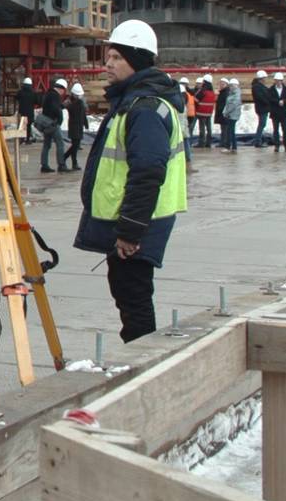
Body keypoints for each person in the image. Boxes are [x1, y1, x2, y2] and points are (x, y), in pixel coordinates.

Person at [74, 19, 187, 343]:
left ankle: (141, 366)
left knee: (134, 300)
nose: (108, 64)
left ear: (136, 61)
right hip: (133, 221)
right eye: (108, 56)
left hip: (138, 225)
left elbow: (148, 171)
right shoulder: (134, 102)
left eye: (117, 58)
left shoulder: (145, 109)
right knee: (128, 295)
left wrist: (130, 231)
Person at [37, 78, 69, 173]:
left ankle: (44, 165)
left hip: (45, 123)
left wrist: (62, 105)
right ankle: (61, 165)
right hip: (52, 123)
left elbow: (50, 107)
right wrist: (60, 120)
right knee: (60, 144)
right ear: (62, 88)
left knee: (46, 144)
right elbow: (56, 109)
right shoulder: (55, 96)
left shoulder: (48, 94)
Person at [62, 81, 90, 171]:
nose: (79, 97)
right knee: (75, 145)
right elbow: (64, 107)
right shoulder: (71, 103)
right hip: (74, 126)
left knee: (75, 145)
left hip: (78, 126)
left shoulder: (80, 103)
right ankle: (65, 158)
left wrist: (86, 124)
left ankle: (74, 163)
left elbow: (83, 114)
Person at [249, 69, 275, 145]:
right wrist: (269, 102)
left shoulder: (260, 86)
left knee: (262, 124)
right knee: (262, 124)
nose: (265, 79)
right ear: (261, 78)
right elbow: (260, 97)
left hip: (263, 108)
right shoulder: (257, 87)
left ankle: (258, 140)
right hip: (262, 108)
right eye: (264, 78)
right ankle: (258, 141)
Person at [217, 76, 242, 152]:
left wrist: (226, 112)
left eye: (233, 85)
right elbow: (227, 104)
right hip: (230, 115)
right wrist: (225, 112)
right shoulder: (231, 94)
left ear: (236, 86)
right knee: (230, 131)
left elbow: (233, 105)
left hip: (232, 115)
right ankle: (233, 147)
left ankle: (230, 147)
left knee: (230, 131)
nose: (231, 87)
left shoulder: (236, 95)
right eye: (230, 85)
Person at [269, 72, 286, 152]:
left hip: (283, 113)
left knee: (285, 129)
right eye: (277, 80)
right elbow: (269, 99)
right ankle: (276, 145)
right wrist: (277, 101)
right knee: (276, 130)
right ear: (274, 81)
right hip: (275, 113)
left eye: (279, 80)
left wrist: (284, 101)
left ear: (282, 81)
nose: (278, 82)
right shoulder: (271, 89)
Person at [194, 75, 217, 148]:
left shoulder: (202, 91)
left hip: (201, 113)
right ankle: (208, 143)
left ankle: (201, 143)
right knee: (209, 128)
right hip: (209, 113)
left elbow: (196, 99)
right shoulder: (212, 92)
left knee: (202, 128)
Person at [17, 76, 38, 144]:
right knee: (29, 126)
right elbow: (37, 101)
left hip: (22, 111)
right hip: (30, 112)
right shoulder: (33, 93)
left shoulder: (21, 92)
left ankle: (21, 139)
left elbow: (17, 98)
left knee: (22, 125)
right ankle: (27, 139)